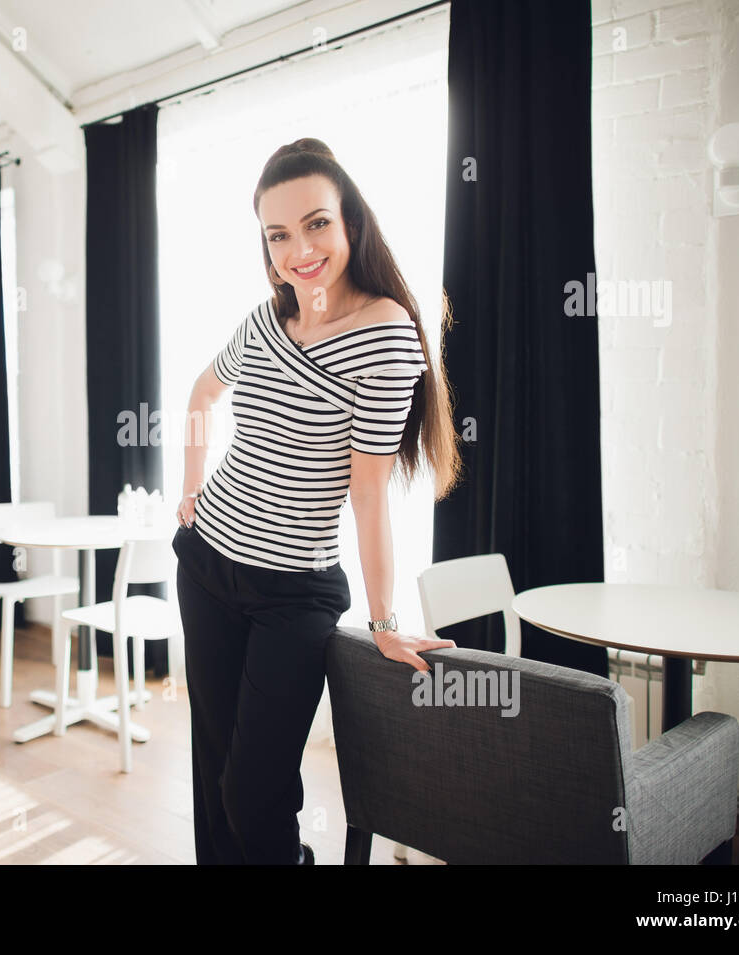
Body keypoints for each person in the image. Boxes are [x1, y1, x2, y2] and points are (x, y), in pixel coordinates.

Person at [172, 138, 463, 865]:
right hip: (206, 566)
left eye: (316, 224)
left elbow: (369, 493)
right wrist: (190, 489)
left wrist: (385, 620)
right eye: (278, 235)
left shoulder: (386, 333)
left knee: (253, 788)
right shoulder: (265, 322)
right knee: (214, 772)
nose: (299, 250)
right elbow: (203, 392)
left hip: (293, 592)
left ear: (351, 223)